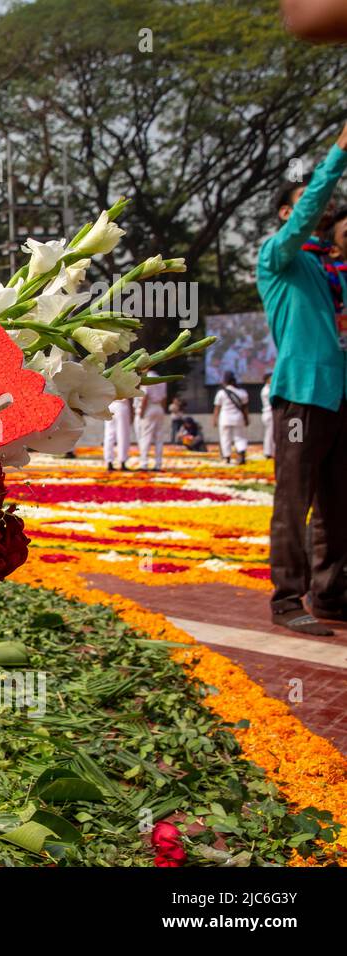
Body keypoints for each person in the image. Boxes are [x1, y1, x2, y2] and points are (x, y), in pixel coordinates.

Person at [256, 120, 347, 636]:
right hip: (301, 396)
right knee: (295, 501)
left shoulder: (333, 271)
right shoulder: (279, 257)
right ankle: (288, 599)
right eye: (308, 202)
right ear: (288, 215)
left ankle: (332, 594)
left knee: (340, 502)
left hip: (342, 397)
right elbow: (313, 204)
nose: (324, 208)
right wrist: (337, 153)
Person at [213, 372, 250, 465]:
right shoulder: (242, 392)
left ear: (224, 381)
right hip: (238, 418)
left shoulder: (221, 393)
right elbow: (245, 408)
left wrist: (214, 419)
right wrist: (246, 419)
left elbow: (217, 407)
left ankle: (227, 457)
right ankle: (241, 454)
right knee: (239, 437)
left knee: (225, 438)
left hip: (225, 418)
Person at [134, 381, 168, 470]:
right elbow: (164, 398)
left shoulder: (147, 379)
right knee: (159, 439)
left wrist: (141, 413)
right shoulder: (161, 381)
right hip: (159, 407)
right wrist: (162, 411)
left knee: (145, 437)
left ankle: (144, 463)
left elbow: (145, 397)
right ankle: (158, 464)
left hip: (149, 408)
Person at [102, 397, 132, 470]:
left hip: (110, 405)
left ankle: (109, 461)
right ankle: (122, 461)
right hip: (121, 405)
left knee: (109, 435)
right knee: (123, 435)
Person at [261, 372, 275, 460]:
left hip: (269, 413)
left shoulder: (269, 388)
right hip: (269, 413)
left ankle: (270, 451)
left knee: (271, 434)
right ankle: (268, 452)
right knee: (270, 434)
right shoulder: (267, 390)